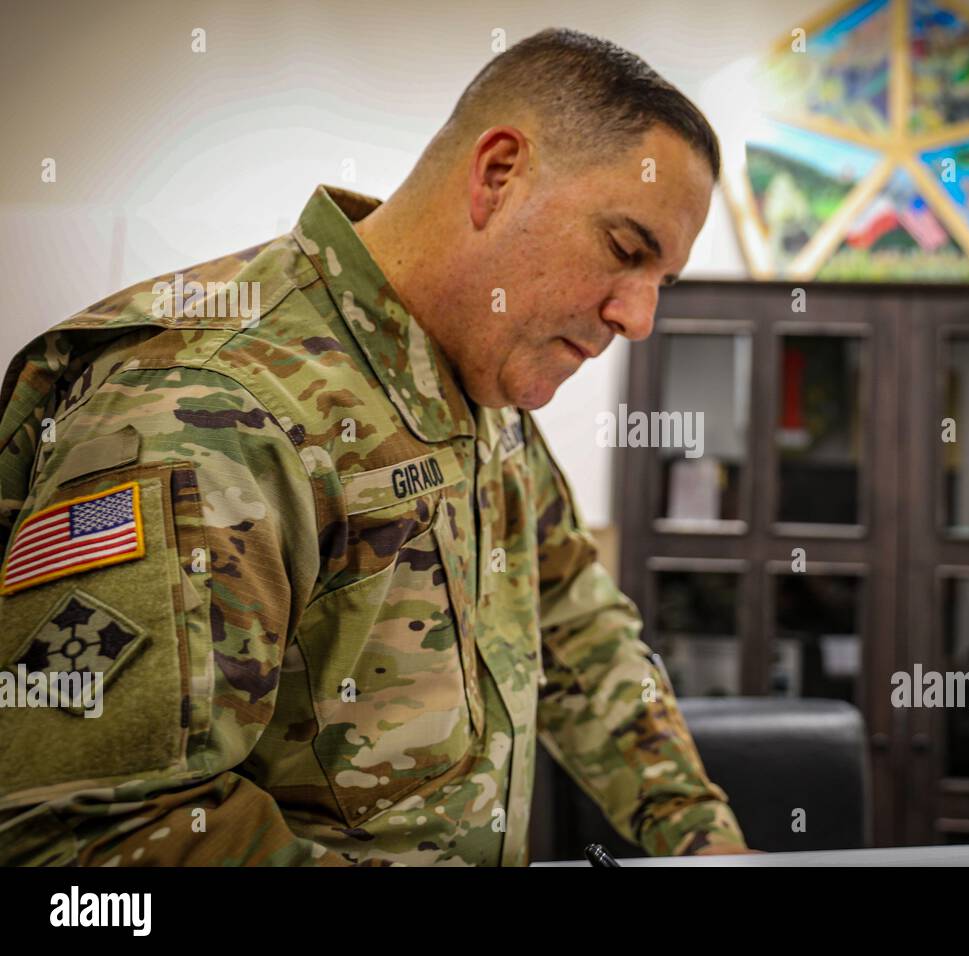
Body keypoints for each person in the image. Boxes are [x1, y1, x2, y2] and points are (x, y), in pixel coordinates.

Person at [0, 27, 751, 866]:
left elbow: (574, 624)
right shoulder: (208, 408)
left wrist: (702, 841)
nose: (639, 320)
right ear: (499, 175)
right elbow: (85, 840)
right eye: (624, 250)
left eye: (663, 282)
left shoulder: (479, 382)